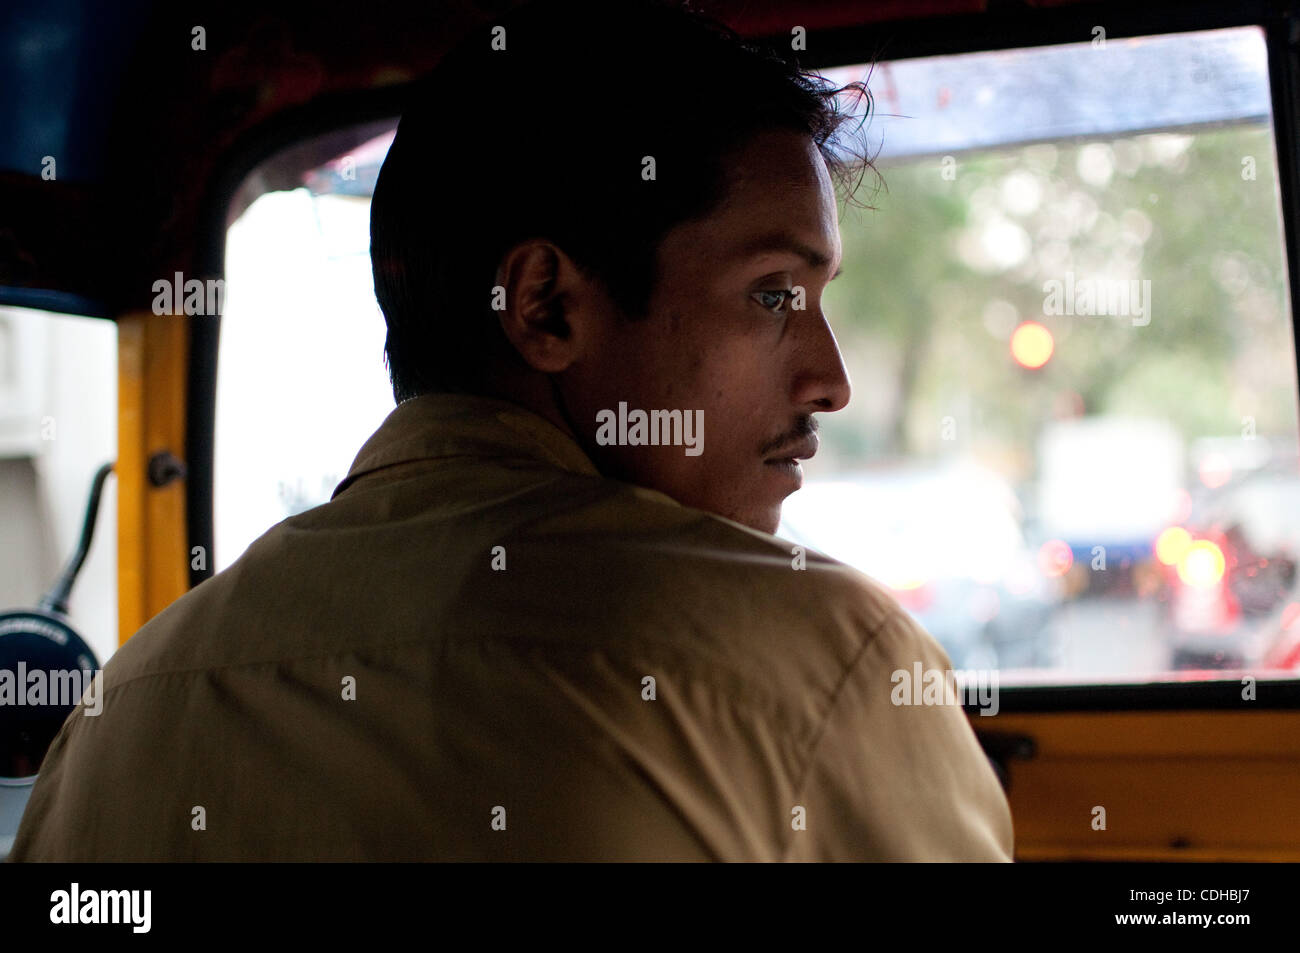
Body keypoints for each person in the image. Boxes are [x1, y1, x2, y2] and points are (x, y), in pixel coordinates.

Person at [11, 0, 1013, 861]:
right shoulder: (820, 663)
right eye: (770, 294)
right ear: (543, 307)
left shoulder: (126, 711)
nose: (829, 380)